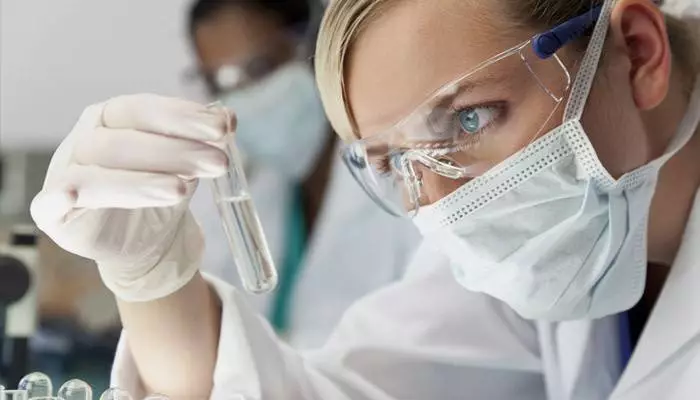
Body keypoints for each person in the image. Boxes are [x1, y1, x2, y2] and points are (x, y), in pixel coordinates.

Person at [29, 0, 700, 399]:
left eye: (468, 119)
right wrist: (154, 277)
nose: (436, 203)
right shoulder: (545, 248)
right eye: (393, 162)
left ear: (637, 51)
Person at [185, 0, 419, 347]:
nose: (244, 97)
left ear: (314, 45)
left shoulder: (404, 174)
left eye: (260, 69)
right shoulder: (255, 186)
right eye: (220, 83)